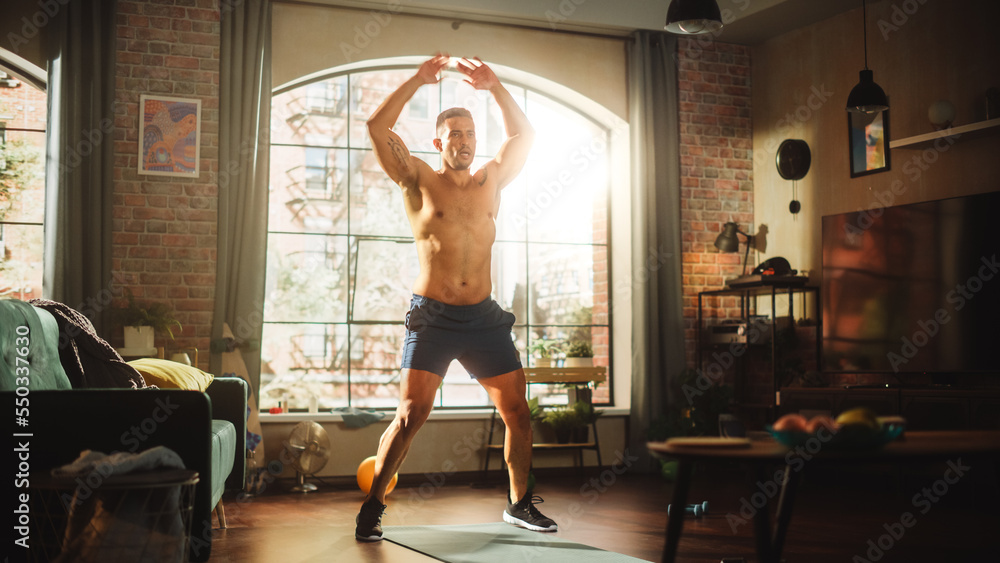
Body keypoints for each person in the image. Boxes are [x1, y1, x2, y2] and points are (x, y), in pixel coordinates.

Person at [355, 53, 557, 541]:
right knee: (410, 416)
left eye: (470, 134)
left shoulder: (492, 180)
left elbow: (524, 136)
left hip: (484, 319)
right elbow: (377, 127)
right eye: (456, 134)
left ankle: (519, 503)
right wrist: (418, 80)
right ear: (438, 140)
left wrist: (495, 85)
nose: (465, 142)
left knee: (518, 412)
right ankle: (373, 505)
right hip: (434, 318)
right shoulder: (419, 180)